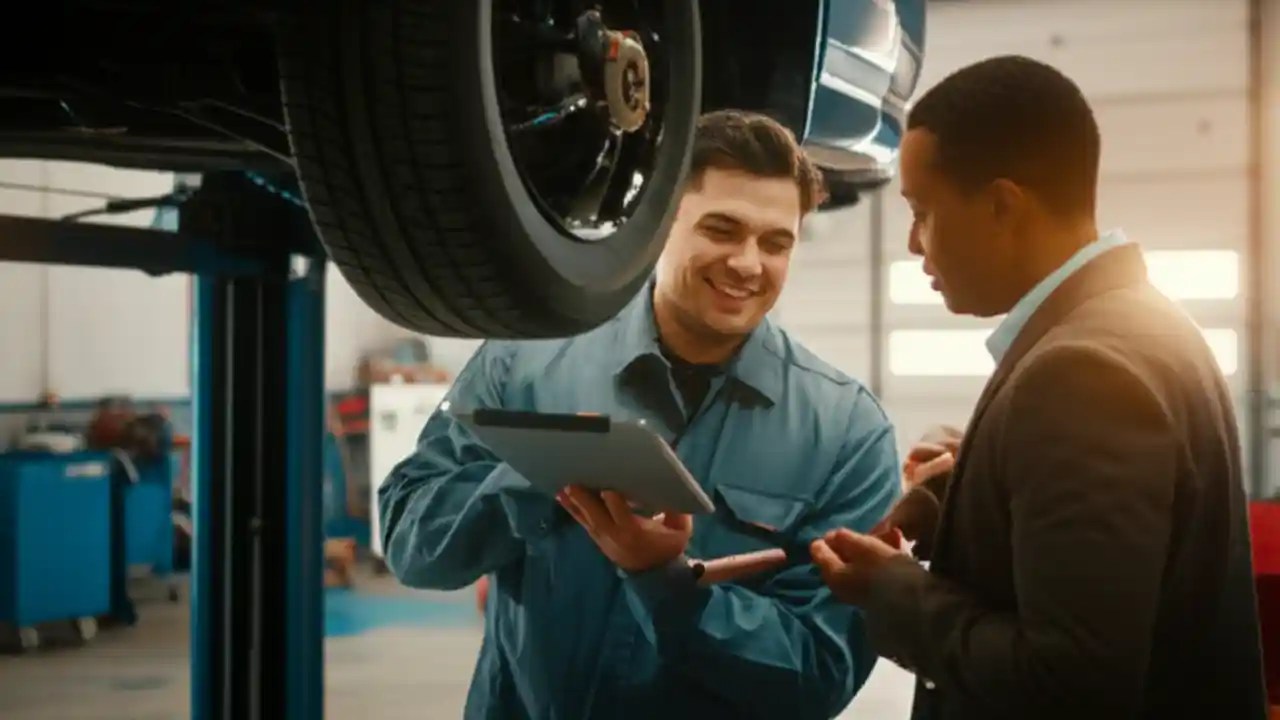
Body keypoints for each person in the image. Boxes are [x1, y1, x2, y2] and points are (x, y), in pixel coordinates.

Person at [379, 110, 903, 720]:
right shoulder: (526, 360)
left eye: (775, 242)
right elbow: (413, 545)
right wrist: (536, 475)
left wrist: (667, 586)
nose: (747, 263)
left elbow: (821, 670)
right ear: (658, 225)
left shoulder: (846, 434)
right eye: (722, 229)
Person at [810, 55, 1269, 720]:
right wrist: (966, 500)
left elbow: (1068, 682)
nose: (913, 243)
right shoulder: (1137, 323)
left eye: (923, 211)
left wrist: (893, 592)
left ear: (1002, 205)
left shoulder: (1081, 374)